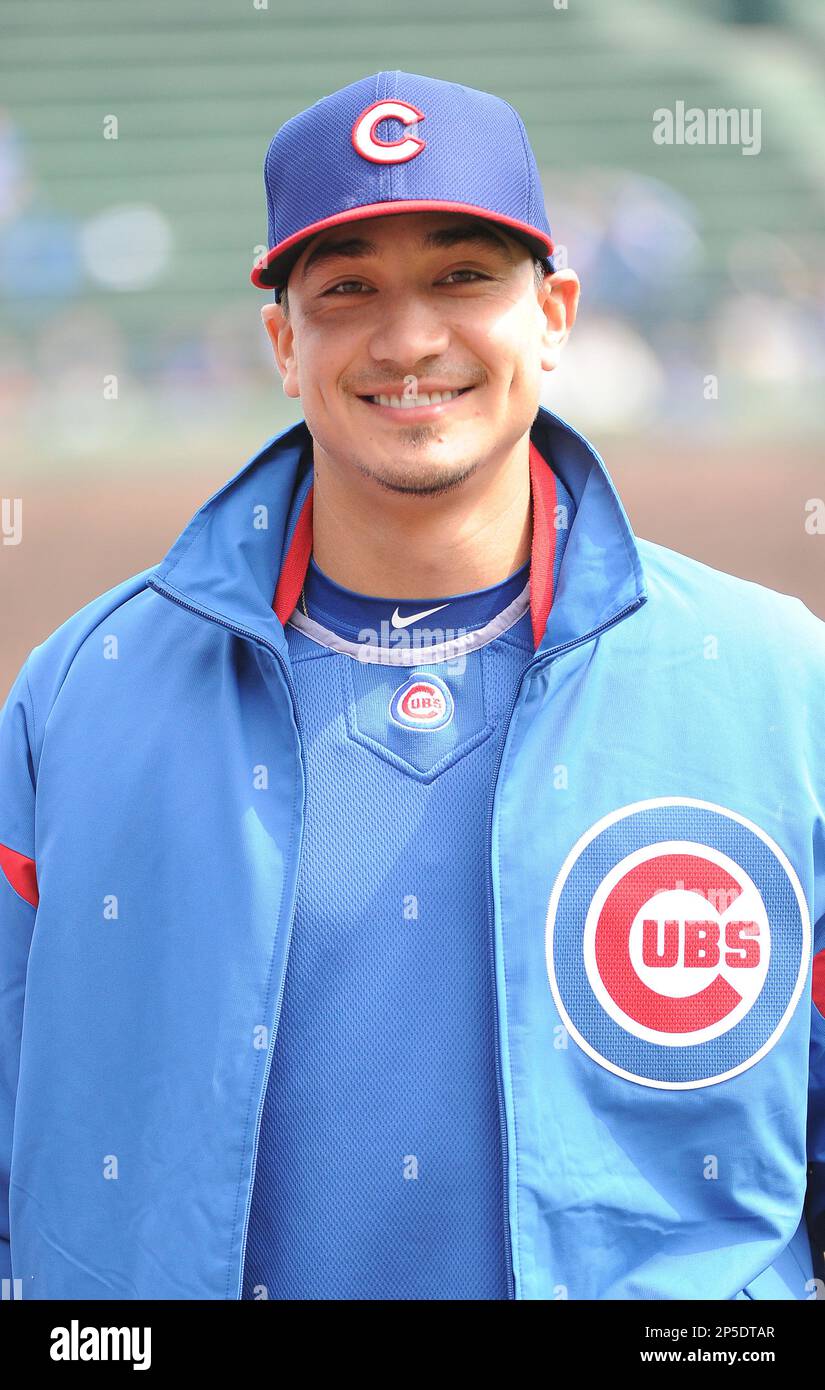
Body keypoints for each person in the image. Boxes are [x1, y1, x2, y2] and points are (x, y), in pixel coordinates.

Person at [1, 70, 823, 1302]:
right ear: (285, 341)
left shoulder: (777, 680)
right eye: (347, 290)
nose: (409, 340)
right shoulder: (80, 693)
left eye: (462, 276)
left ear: (555, 315)